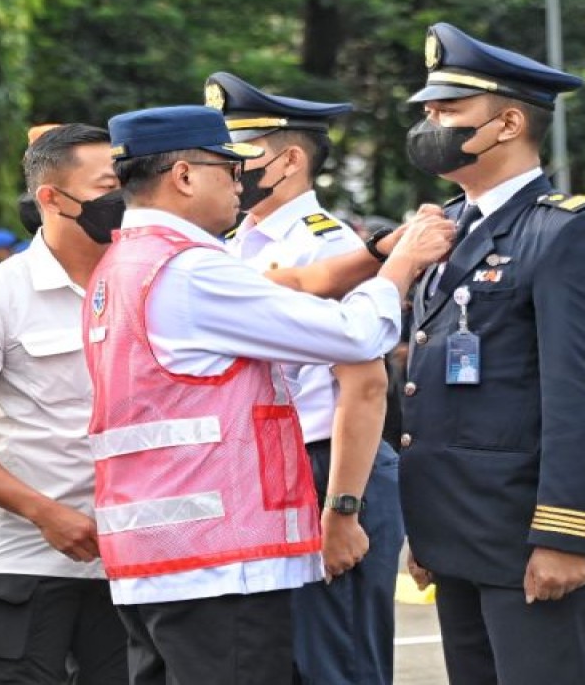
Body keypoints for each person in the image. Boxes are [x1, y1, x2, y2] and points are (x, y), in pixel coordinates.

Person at [84, 104, 453, 685]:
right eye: (228, 168)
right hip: (218, 560)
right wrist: (403, 263)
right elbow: (355, 337)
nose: (239, 181)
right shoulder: (190, 269)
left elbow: (304, 285)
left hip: (156, 554)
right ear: (183, 176)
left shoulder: (126, 262)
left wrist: (379, 250)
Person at [398, 22, 585, 685]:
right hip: (462, 536)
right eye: (427, 110)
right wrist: (431, 532)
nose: (428, 121)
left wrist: (566, 534)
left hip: (532, 539)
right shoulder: (448, 230)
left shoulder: (569, 231)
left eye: (446, 110)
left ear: (506, 124)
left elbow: (580, 397)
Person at [0, 125, 129, 684]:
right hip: (25, 559)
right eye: (108, 184)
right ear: (51, 198)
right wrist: (45, 512)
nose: (124, 198)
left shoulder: (146, 287)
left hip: (133, 556)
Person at [208, 71, 403, 685]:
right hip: (264, 468)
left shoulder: (325, 247)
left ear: (288, 159)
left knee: (335, 661)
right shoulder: (234, 244)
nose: (224, 168)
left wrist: (341, 508)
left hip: (327, 467)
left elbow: (365, 383)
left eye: (236, 153)